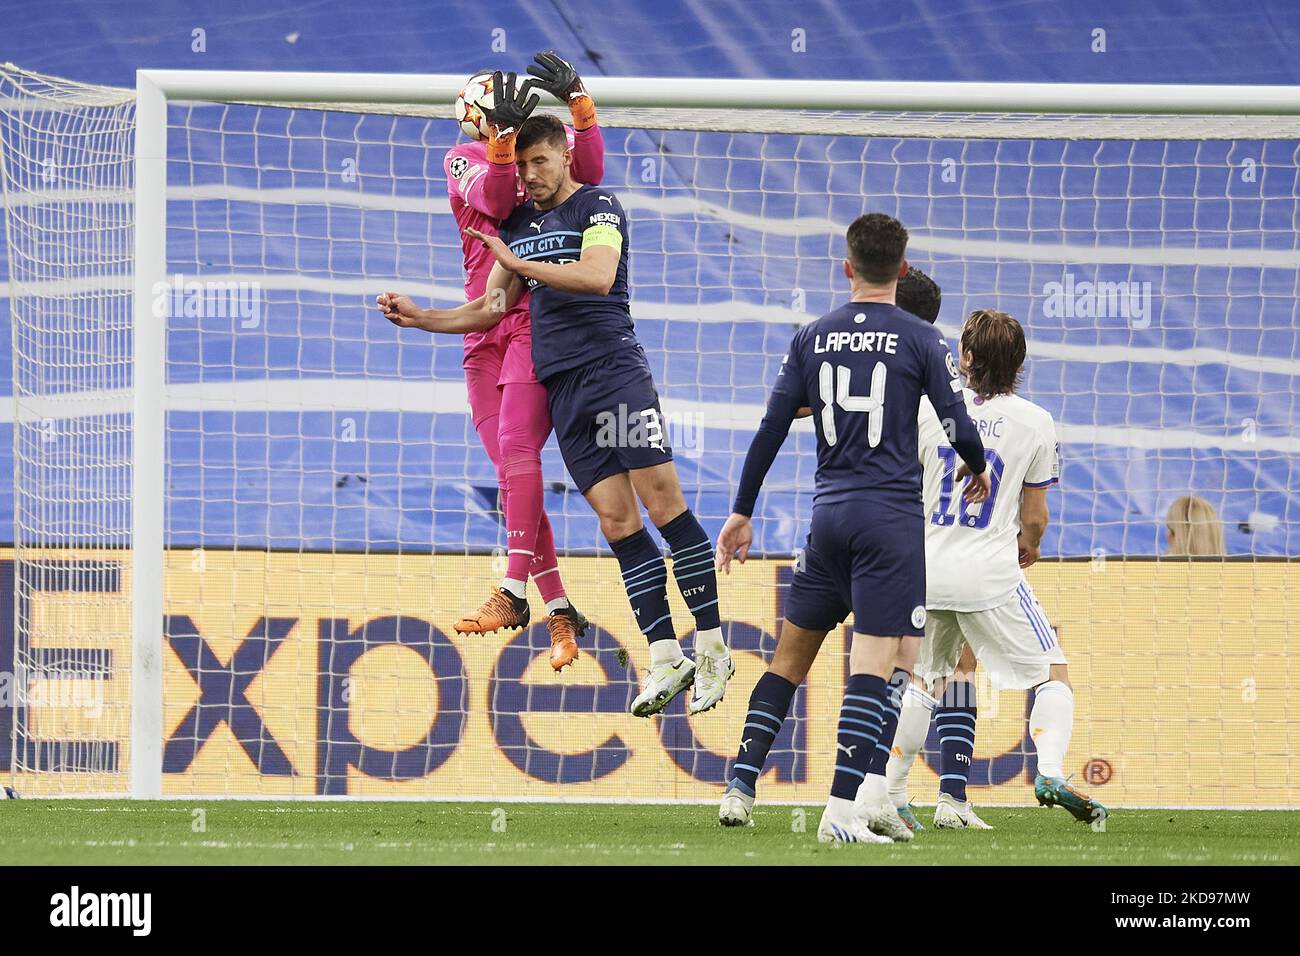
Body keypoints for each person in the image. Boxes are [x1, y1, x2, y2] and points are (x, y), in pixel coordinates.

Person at [377, 114, 733, 717]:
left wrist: (519, 263)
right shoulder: (515, 225)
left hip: (614, 373)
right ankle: (666, 652)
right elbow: (492, 305)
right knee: (618, 524)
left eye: (539, 162)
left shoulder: (598, 206)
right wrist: (424, 318)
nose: (530, 175)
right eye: (520, 167)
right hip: (563, 388)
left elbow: (596, 277)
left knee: (663, 504)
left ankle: (715, 645)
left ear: (564, 155)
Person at [713, 213, 990, 844]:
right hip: (889, 523)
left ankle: (741, 783)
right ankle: (845, 809)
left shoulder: (812, 336)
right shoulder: (922, 339)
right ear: (901, 268)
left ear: (847, 267)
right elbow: (957, 422)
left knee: (789, 659)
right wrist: (979, 470)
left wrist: (742, 510)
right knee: (883, 665)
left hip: (827, 519)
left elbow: (772, 427)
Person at [894, 309, 1107, 829]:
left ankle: (897, 795)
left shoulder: (927, 411)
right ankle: (1051, 771)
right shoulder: (1035, 422)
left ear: (965, 358)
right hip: (990, 572)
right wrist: (1028, 547)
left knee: (925, 678)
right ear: (1019, 363)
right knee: (1053, 673)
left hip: (929, 567)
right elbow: (1034, 517)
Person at [438, 54, 604, 671]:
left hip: (529, 319)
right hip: (484, 330)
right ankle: (559, 608)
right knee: (511, 471)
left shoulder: (534, 166)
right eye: (497, 120)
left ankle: (517, 593)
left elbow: (586, 169)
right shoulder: (464, 160)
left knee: (517, 455)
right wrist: (501, 145)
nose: (505, 128)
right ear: (477, 120)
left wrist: (581, 108)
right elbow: (493, 193)